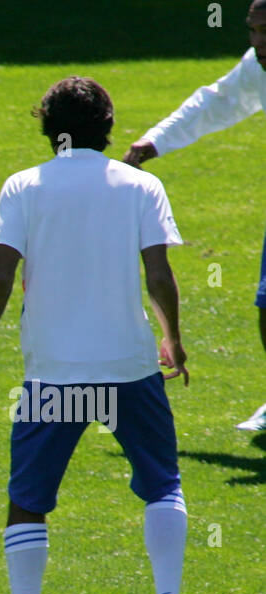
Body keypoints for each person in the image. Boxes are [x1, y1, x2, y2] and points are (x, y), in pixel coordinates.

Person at [0, 77, 204, 594]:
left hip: (54, 377)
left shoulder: (23, 187)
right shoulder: (141, 186)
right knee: (162, 484)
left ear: (48, 127)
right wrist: (172, 339)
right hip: (129, 368)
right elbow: (159, 276)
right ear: (109, 124)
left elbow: (0, 278)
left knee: (29, 499)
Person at [124, 0, 266, 430]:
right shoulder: (259, 66)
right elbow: (216, 103)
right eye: (253, 31)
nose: (259, 43)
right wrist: (155, 142)